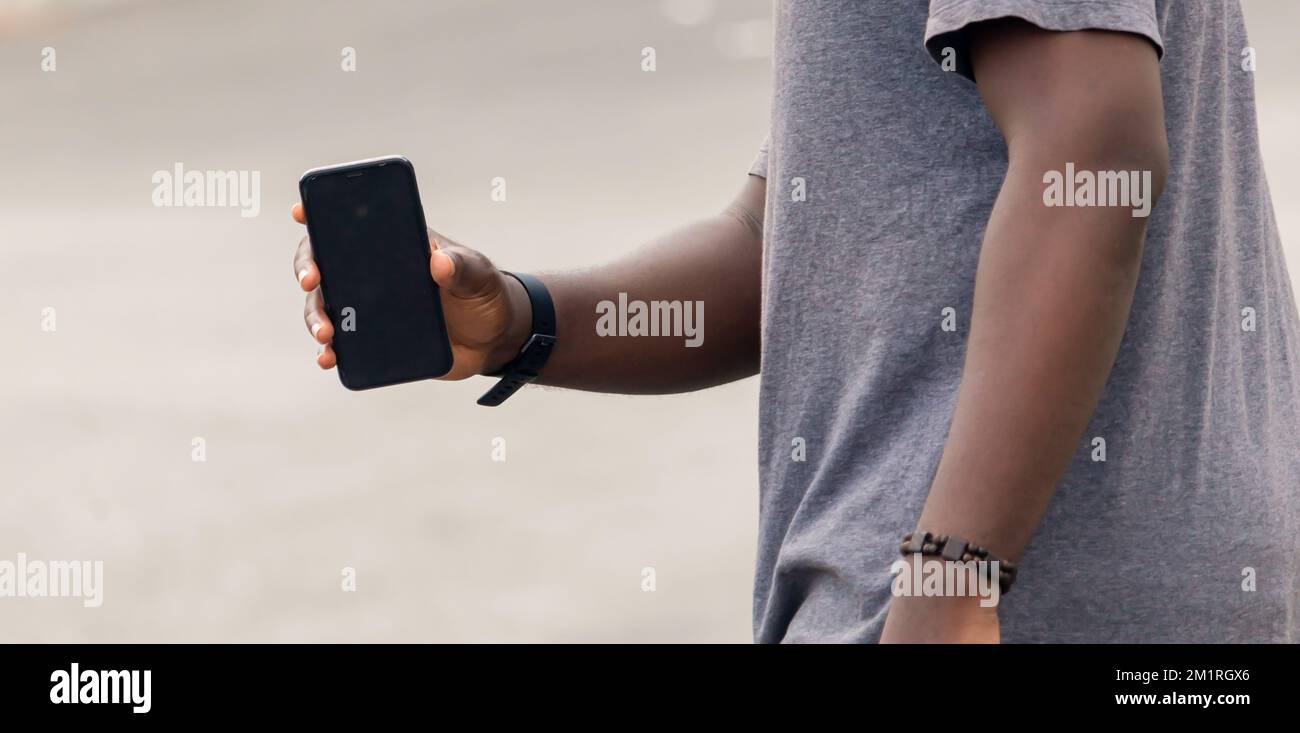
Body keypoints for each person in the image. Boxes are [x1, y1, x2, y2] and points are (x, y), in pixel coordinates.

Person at [290, 0, 1300, 643]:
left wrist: (946, 589)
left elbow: (1088, 157)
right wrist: (519, 320)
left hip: (1009, 603)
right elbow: (797, 241)